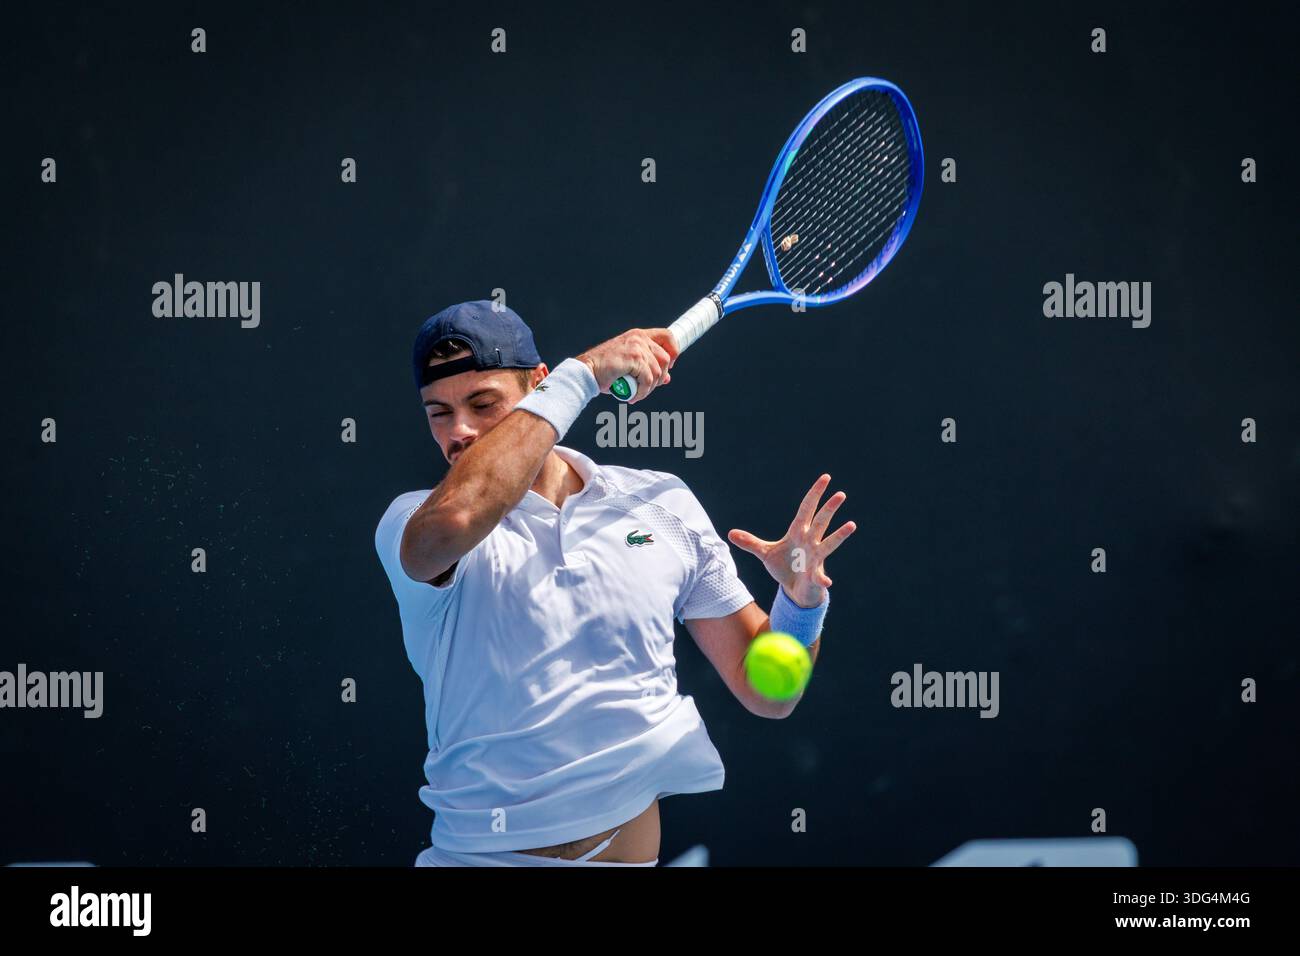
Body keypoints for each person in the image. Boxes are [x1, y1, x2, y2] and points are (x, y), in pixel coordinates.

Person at [375, 300, 855, 866]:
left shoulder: (661, 503)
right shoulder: (414, 522)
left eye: (483, 404)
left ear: (538, 385)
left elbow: (769, 693)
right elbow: (460, 516)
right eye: (438, 412)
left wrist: (801, 604)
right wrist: (586, 373)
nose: (459, 431)